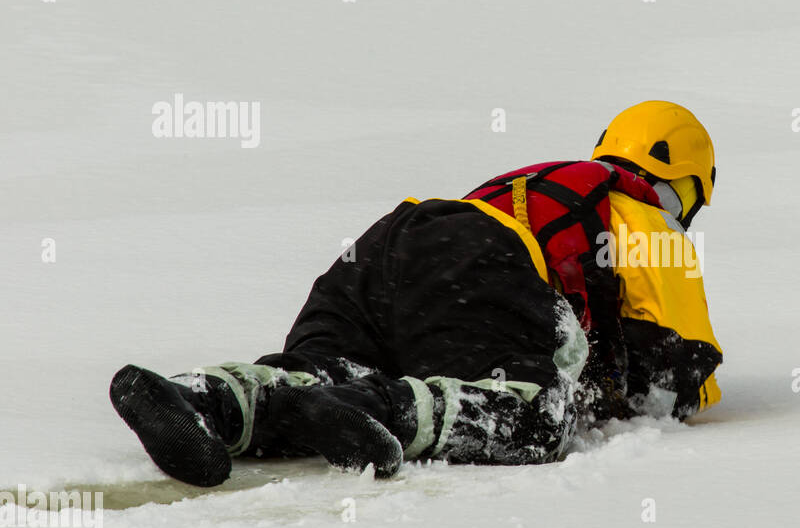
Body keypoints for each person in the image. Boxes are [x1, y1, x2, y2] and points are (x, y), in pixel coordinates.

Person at [110, 100, 723, 487]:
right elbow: (679, 359)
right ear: (684, 186)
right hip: (482, 264)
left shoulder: (536, 184)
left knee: (323, 367)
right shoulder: (640, 210)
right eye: (684, 202)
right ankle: (386, 413)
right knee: (533, 417)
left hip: (388, 246)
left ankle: (205, 398)